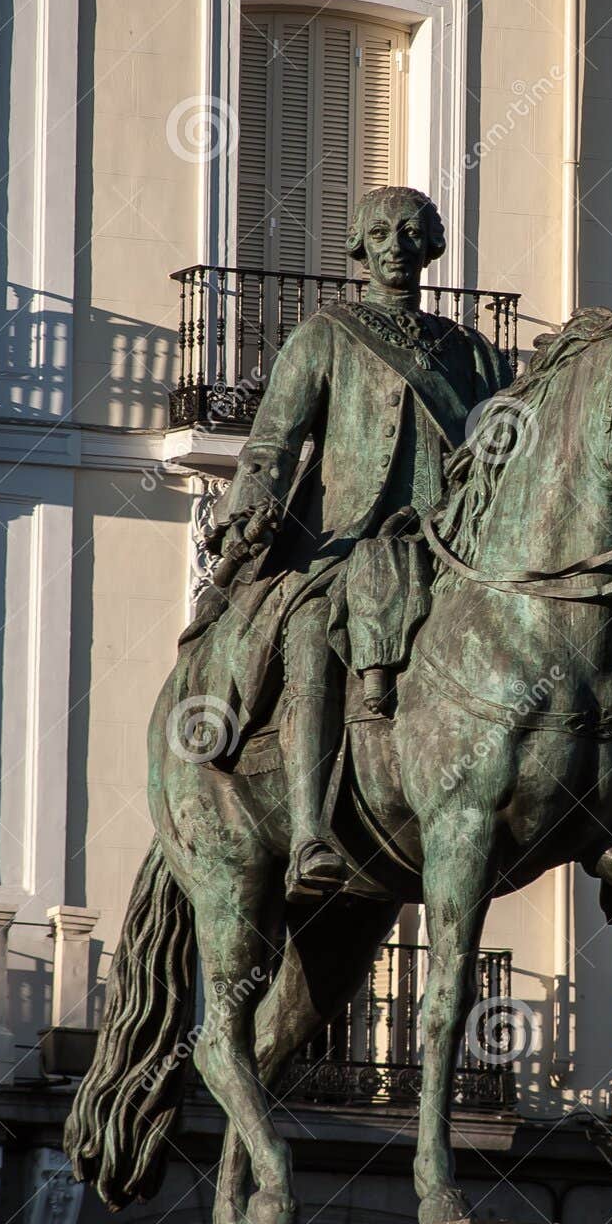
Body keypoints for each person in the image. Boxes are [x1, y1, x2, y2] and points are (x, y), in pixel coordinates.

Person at [190, 186, 513, 901]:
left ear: (431, 246)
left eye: (409, 231)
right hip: (350, 540)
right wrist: (250, 501)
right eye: (379, 232)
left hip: (453, 545)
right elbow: (274, 440)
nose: (395, 244)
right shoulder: (327, 336)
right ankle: (310, 831)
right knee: (311, 630)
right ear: (360, 249)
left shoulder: (473, 356)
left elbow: (517, 450)